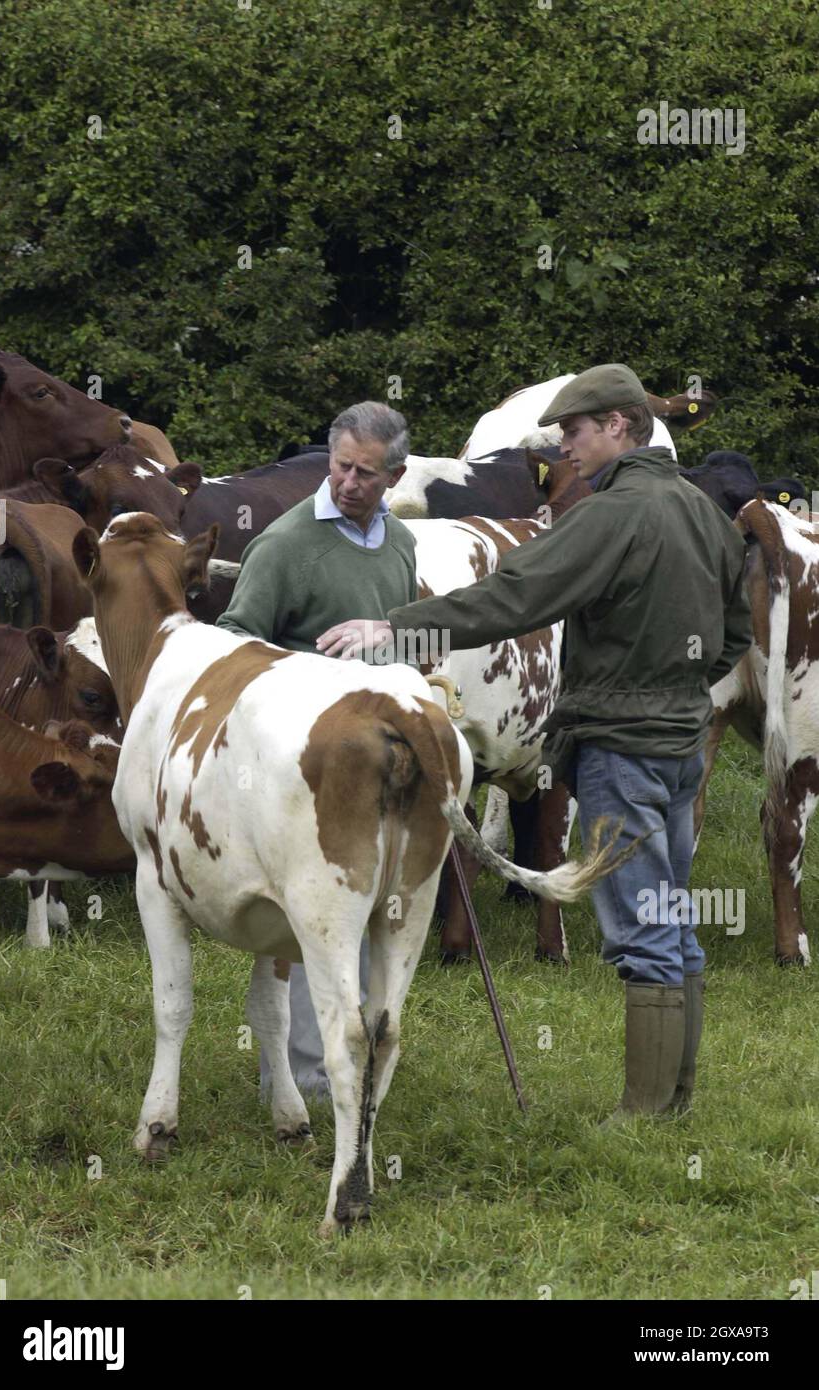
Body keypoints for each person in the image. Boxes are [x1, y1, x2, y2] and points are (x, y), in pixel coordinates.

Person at [319, 365, 753, 1123]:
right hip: (682, 745)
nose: (565, 448)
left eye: (577, 432)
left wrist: (397, 630)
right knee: (671, 916)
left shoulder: (607, 517)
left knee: (643, 928)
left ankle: (645, 1115)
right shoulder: (705, 514)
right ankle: (674, 1101)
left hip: (623, 749)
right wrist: (677, 690)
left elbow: (514, 598)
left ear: (619, 425)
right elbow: (736, 636)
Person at [217, 400, 416, 1098]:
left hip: (381, 764)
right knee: (319, 918)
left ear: (395, 475)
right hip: (303, 768)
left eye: (366, 472)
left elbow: (405, 640)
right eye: (340, 466)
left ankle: (342, 1063)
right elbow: (234, 648)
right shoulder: (284, 545)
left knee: (366, 912)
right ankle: (305, 1076)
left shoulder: (400, 544)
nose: (348, 482)